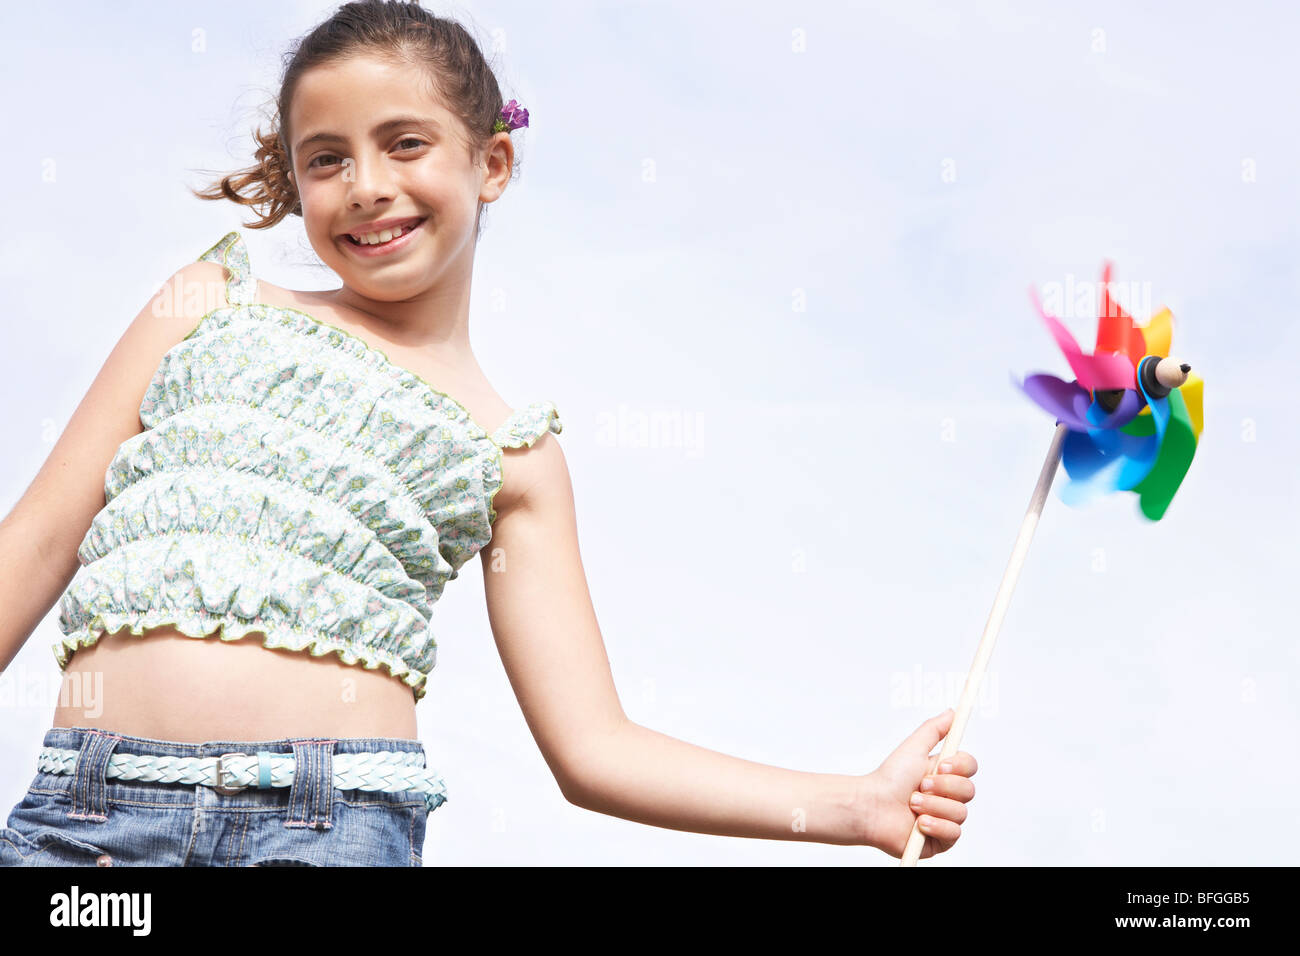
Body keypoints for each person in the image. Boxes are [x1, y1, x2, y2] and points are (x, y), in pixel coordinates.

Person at [0, 0, 975, 866]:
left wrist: (855, 805)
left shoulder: (512, 451)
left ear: (491, 161)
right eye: (326, 158)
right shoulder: (205, 300)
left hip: (335, 826)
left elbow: (593, 748)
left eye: (405, 143)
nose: (366, 184)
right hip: (85, 813)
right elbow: (35, 544)